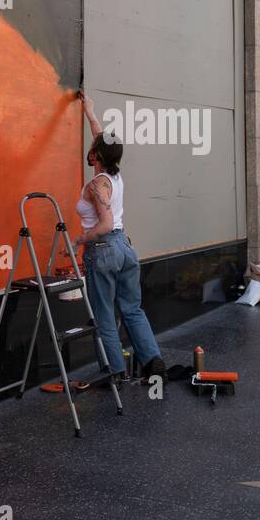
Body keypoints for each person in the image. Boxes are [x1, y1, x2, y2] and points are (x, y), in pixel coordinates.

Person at [76, 94, 166, 382]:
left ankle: (114, 371)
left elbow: (105, 223)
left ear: (97, 156)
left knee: (104, 315)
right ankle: (152, 359)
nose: (90, 149)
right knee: (132, 308)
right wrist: (89, 112)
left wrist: (81, 239)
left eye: (93, 149)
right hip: (125, 249)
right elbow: (101, 137)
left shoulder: (96, 186)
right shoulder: (115, 175)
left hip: (103, 249)